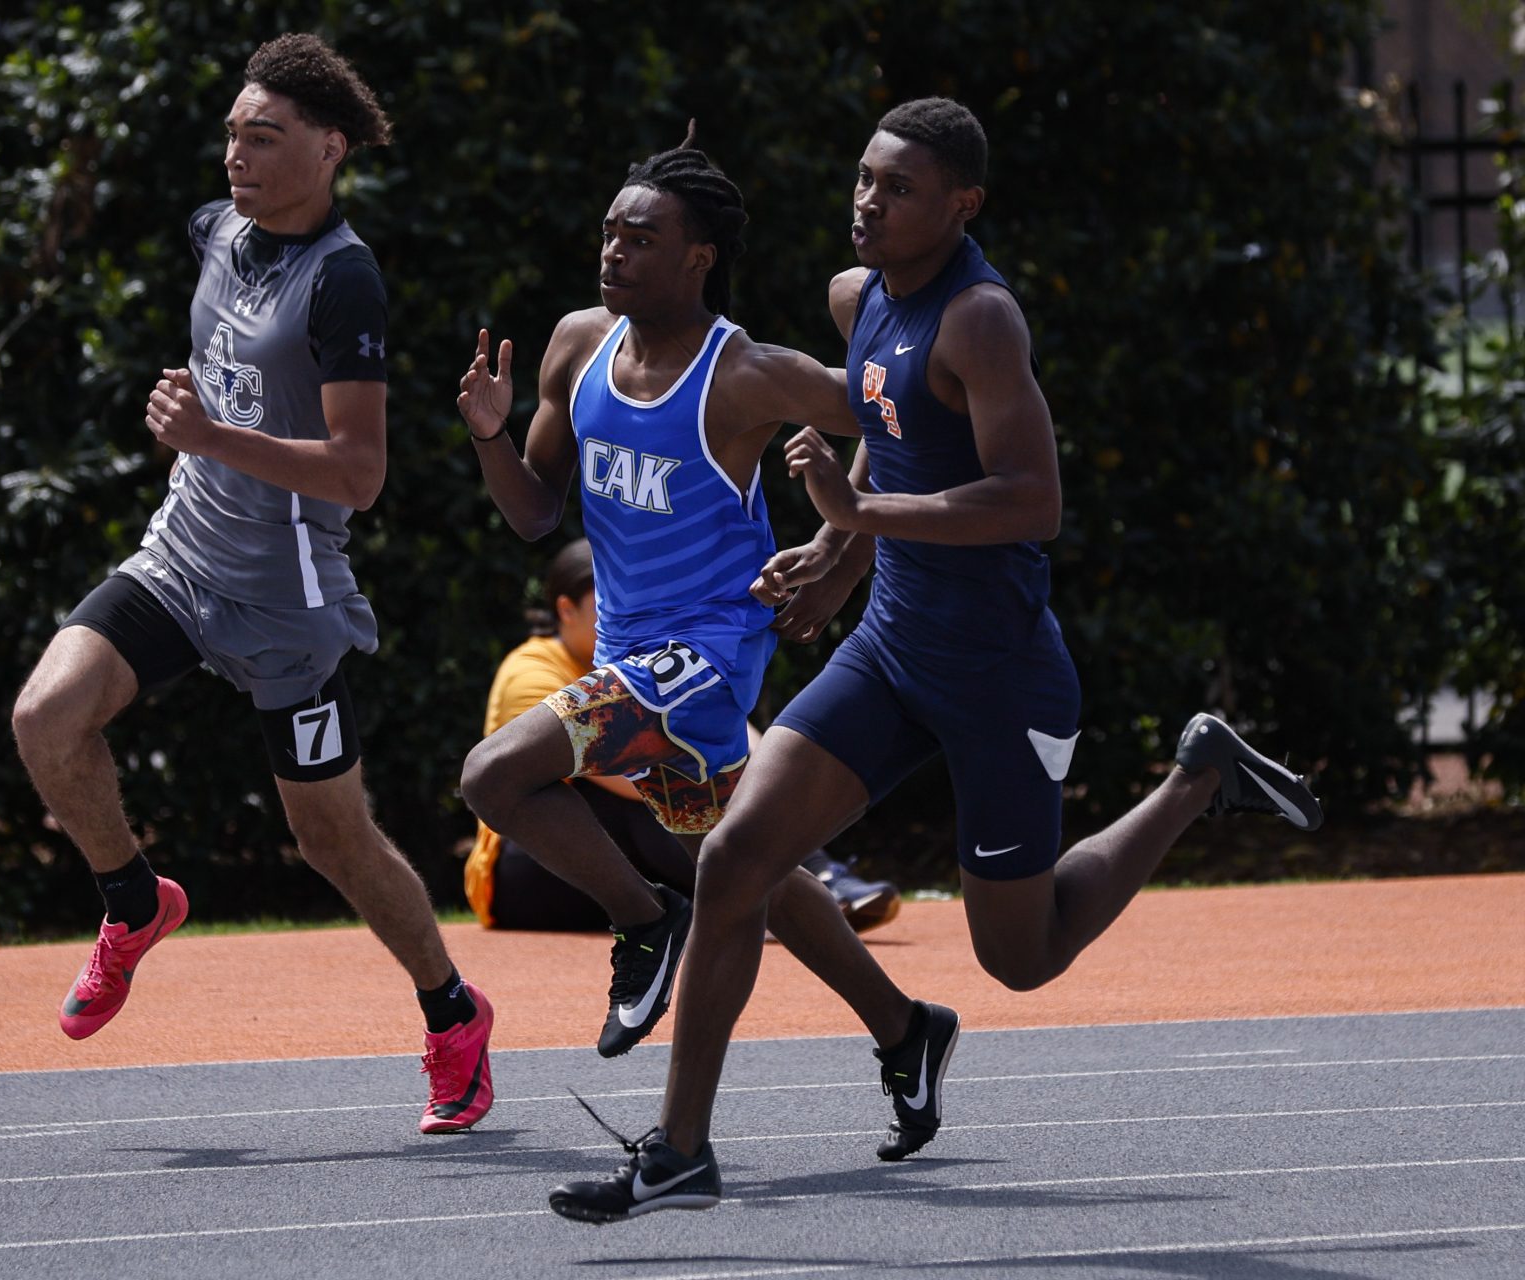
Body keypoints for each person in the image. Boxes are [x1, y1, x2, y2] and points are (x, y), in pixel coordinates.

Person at [548, 97, 1324, 1221]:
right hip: (890, 649)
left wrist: (857, 514)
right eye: (865, 179)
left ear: (964, 205)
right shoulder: (856, 298)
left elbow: (1031, 500)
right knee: (735, 857)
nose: (868, 202)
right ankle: (679, 1151)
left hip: (997, 673)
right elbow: (896, 443)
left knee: (1021, 954)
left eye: (899, 188)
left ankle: (1196, 778)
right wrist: (836, 556)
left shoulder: (981, 320)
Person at [10, 34, 493, 1136]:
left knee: (331, 839)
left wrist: (213, 434)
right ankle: (134, 901)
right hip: (182, 559)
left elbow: (360, 474)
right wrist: (207, 434)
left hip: (288, 602)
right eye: (232, 133)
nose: (238, 154)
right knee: (46, 717)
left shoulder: (345, 280)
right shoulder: (216, 230)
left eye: (264, 138)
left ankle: (452, 1013)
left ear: (329, 150)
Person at [457, 128, 909, 1067]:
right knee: (745, 867)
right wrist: (492, 438)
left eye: (641, 240)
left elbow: (903, 414)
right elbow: (536, 516)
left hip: (708, 656)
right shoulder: (578, 344)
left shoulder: (743, 374)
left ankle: (643, 919)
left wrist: (842, 543)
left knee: (493, 775)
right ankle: (907, 1028)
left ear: (699, 257)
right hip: (629, 653)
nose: (614, 253)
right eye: (610, 235)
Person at [464, 539, 900, 933]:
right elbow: (623, 780)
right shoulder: (530, 672)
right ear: (566, 610)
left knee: (692, 775)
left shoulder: (636, 653)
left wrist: (769, 778)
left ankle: (802, 884)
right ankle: (787, 892)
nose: (623, 606)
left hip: (609, 858)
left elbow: (716, 721)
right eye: (607, 598)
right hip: (520, 876)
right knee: (663, 787)